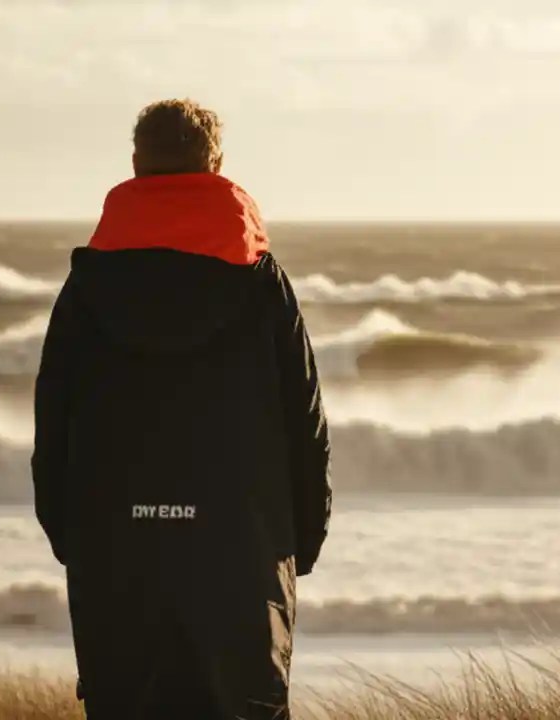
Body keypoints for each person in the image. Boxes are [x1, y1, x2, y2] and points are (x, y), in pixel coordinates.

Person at [32, 98, 332, 719]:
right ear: (216, 166)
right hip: (240, 552)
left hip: (115, 551)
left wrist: (72, 537)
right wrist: (301, 542)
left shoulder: (87, 288)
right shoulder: (259, 282)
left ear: (137, 164)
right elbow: (305, 422)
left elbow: (52, 422)